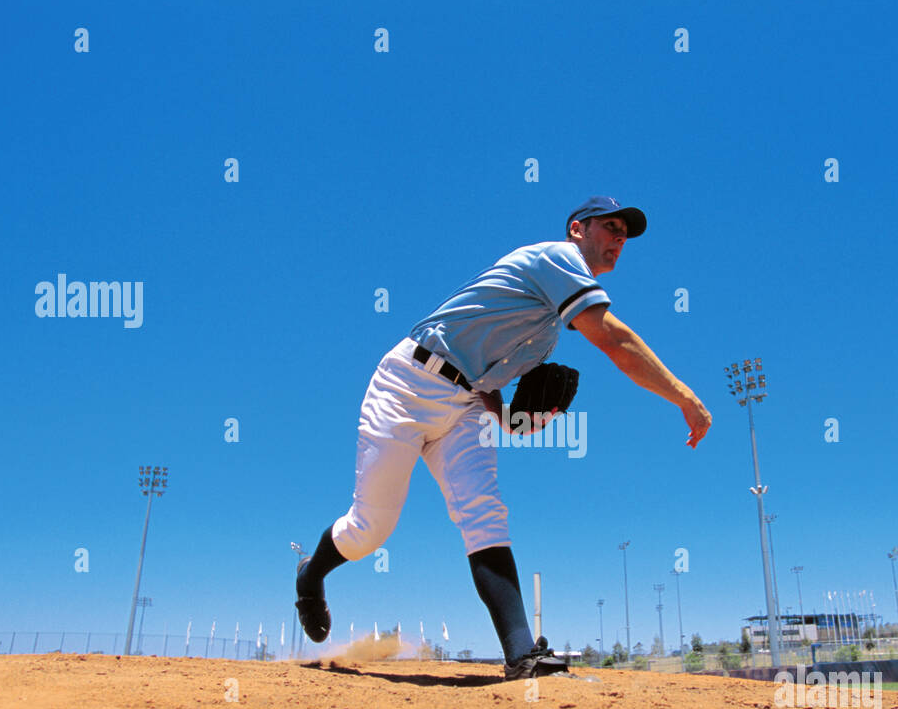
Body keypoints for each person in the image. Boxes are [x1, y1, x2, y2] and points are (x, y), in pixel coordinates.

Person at [296, 196, 712, 680]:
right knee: (371, 529)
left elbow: (494, 398)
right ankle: (312, 573)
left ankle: (522, 655)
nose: (619, 238)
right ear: (578, 229)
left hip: (467, 403)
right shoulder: (556, 259)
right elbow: (613, 339)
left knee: (484, 513)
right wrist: (684, 398)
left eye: (626, 232)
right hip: (408, 385)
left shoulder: (548, 333)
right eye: (611, 226)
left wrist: (519, 421)